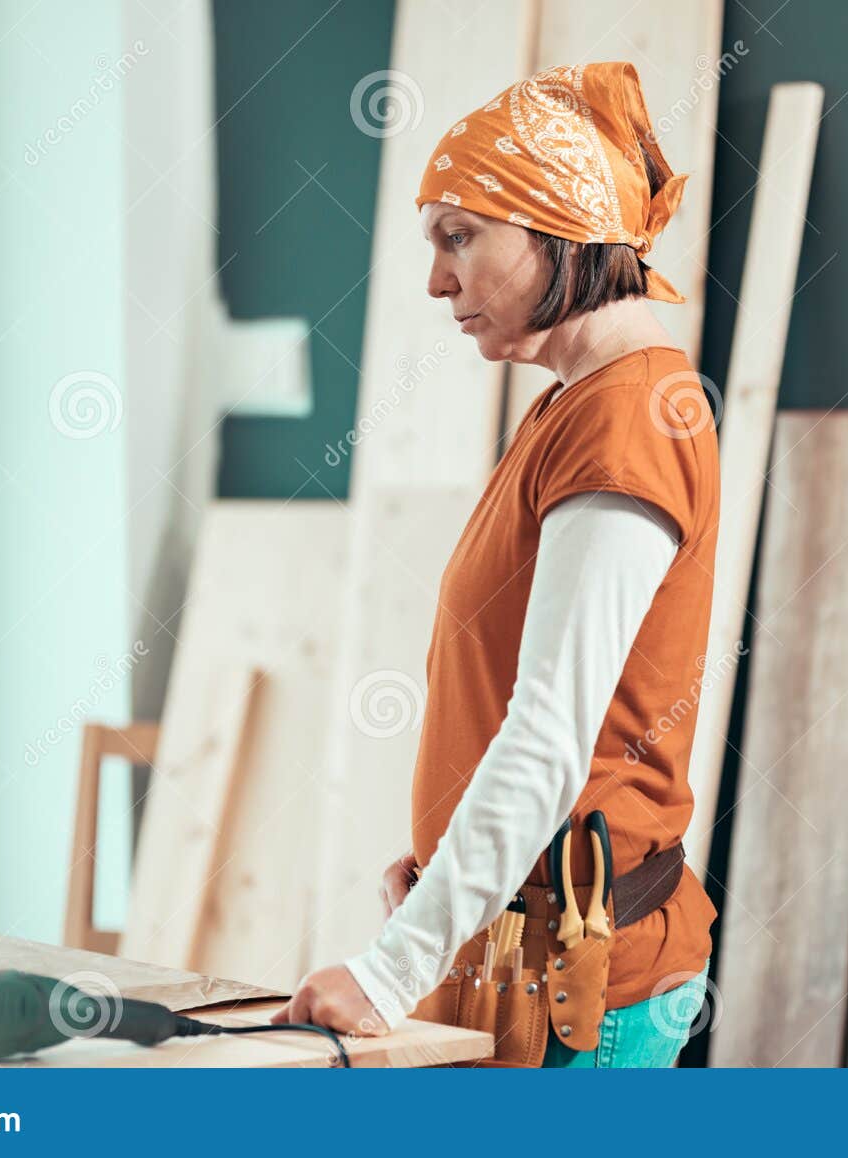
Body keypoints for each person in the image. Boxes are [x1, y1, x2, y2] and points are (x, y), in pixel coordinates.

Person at [273, 61, 719, 1068]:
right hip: (519, 947)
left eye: (459, 238)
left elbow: (553, 736)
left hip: (583, 992)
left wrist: (389, 966)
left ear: (557, 227)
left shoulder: (624, 423)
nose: (437, 281)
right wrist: (446, 883)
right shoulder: (574, 403)